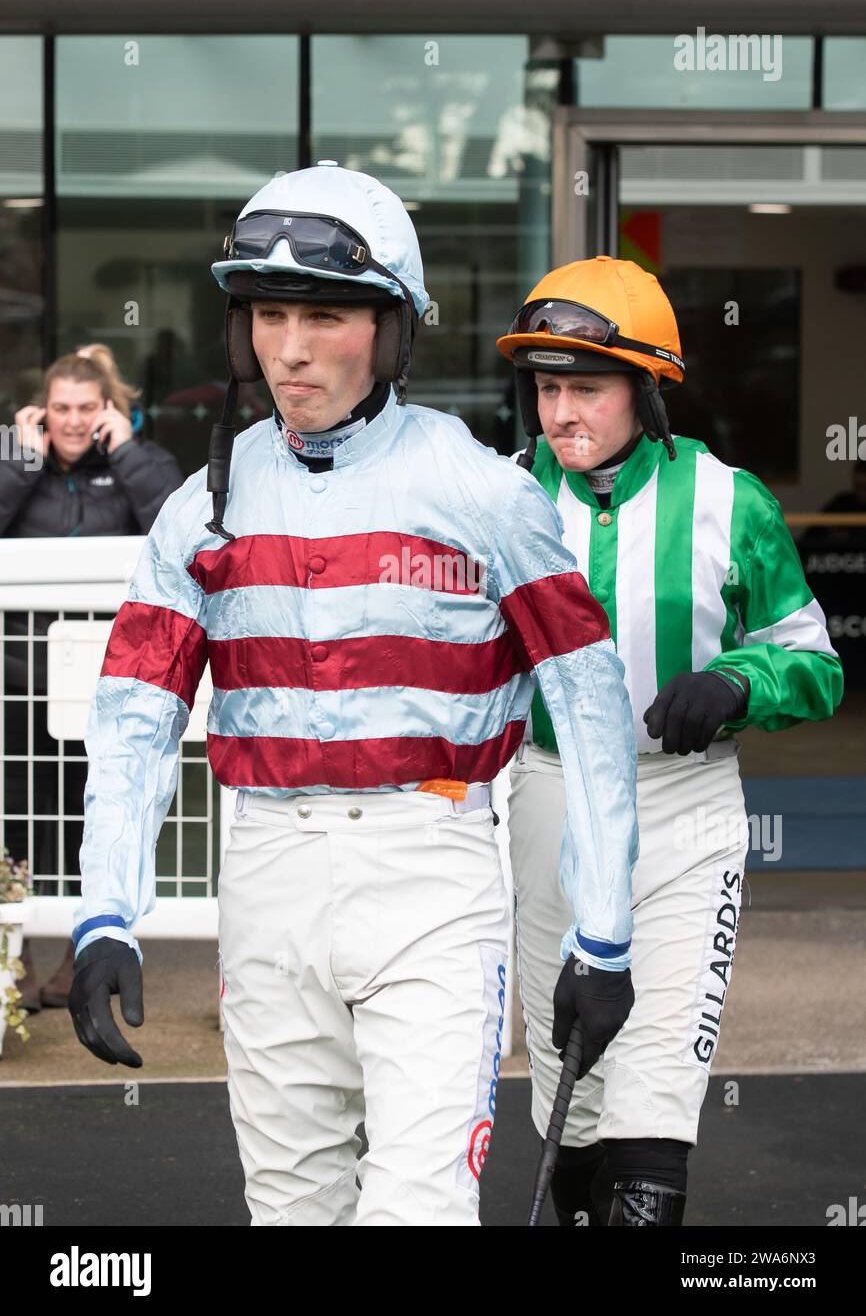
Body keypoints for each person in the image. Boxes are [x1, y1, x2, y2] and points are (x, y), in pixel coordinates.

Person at [66, 162, 640, 1227]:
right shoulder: (199, 508)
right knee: (290, 1207)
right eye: (268, 315)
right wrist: (107, 911)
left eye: (324, 316)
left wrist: (602, 931)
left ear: (391, 331)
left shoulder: (486, 493)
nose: (289, 349)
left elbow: (590, 704)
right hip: (268, 874)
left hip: (433, 872)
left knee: (418, 1208)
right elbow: (137, 714)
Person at [497, 256, 844, 1226]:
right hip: (547, 798)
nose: (560, 412)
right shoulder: (501, 498)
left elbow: (812, 662)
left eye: (586, 389)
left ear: (647, 391)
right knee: (572, 1097)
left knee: (651, 1109)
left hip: (685, 807)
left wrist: (738, 682)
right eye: (545, 389)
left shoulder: (732, 501)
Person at [0, 345, 183, 1011]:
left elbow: (174, 526)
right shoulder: (15, 457)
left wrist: (126, 450)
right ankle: (14, 956)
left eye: (85, 408)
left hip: (104, 675)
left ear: (106, 410)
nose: (73, 421)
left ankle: (79, 955)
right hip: (19, 674)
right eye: (61, 409)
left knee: (91, 809)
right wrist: (22, 461)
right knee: (16, 814)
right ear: (39, 412)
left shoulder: (137, 458)